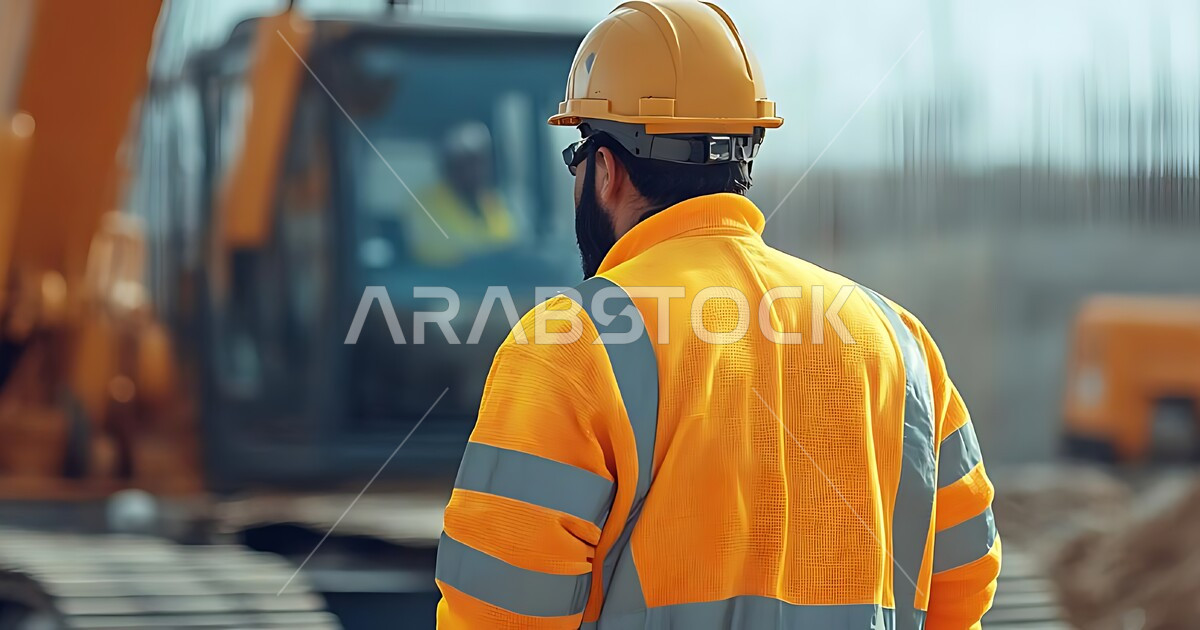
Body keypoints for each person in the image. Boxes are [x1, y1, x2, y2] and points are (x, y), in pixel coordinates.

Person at [435, 2, 999, 628]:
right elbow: (963, 586)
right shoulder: (900, 342)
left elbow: (498, 614)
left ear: (606, 169)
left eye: (578, 161)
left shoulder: (569, 344)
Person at [409, 121, 515, 265]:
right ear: (450, 166)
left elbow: (510, 243)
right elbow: (434, 251)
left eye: (480, 162)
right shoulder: (424, 202)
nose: (475, 171)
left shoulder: (494, 201)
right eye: (467, 164)